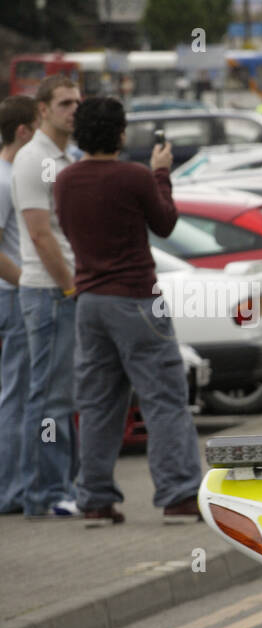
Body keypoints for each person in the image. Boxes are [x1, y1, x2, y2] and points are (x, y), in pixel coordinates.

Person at [52, 96, 204, 525]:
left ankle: (95, 498)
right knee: (165, 397)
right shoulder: (134, 177)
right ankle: (178, 495)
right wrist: (161, 173)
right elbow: (166, 223)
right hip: (136, 297)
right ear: (120, 133)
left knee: (98, 403)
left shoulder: (64, 180)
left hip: (90, 302)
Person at [11, 74, 82, 518]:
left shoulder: (62, 156)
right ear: (41, 110)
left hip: (61, 291)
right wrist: (70, 286)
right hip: (49, 292)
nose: (74, 110)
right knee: (50, 398)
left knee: (61, 396)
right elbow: (40, 235)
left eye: (77, 102)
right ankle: (47, 493)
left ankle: (59, 487)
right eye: (64, 103)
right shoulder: (34, 160)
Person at [0, 96, 37, 515]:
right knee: (18, 395)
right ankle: (10, 492)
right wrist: (30, 285)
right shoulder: (5, 178)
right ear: (23, 132)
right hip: (13, 296)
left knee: (22, 395)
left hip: (14, 295)